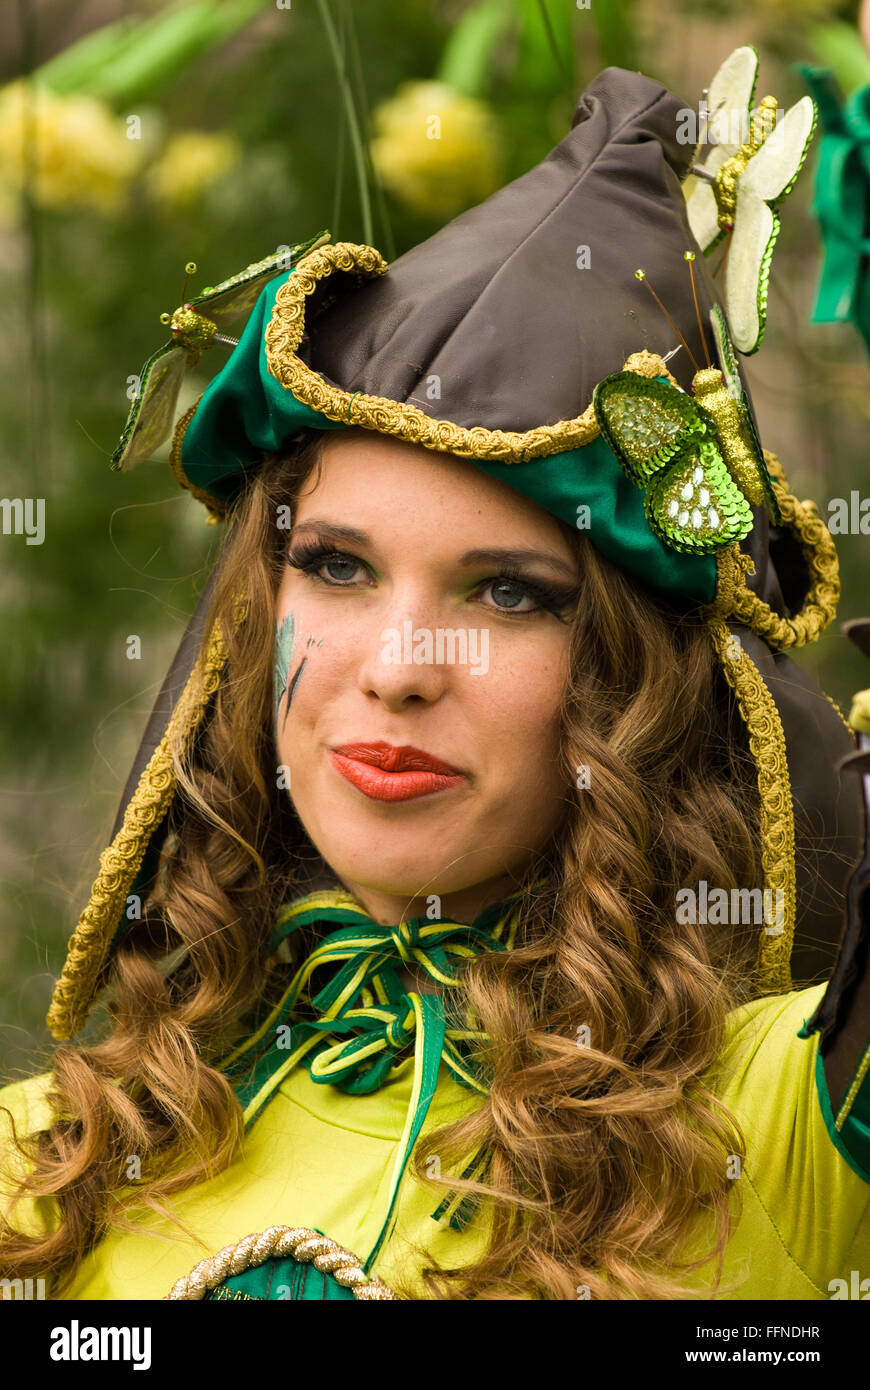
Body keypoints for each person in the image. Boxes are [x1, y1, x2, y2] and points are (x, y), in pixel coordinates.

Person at [1, 62, 868, 1302]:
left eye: (510, 593)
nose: (400, 672)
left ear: (638, 681)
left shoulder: (780, 1128)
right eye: (338, 567)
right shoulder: (46, 1167)